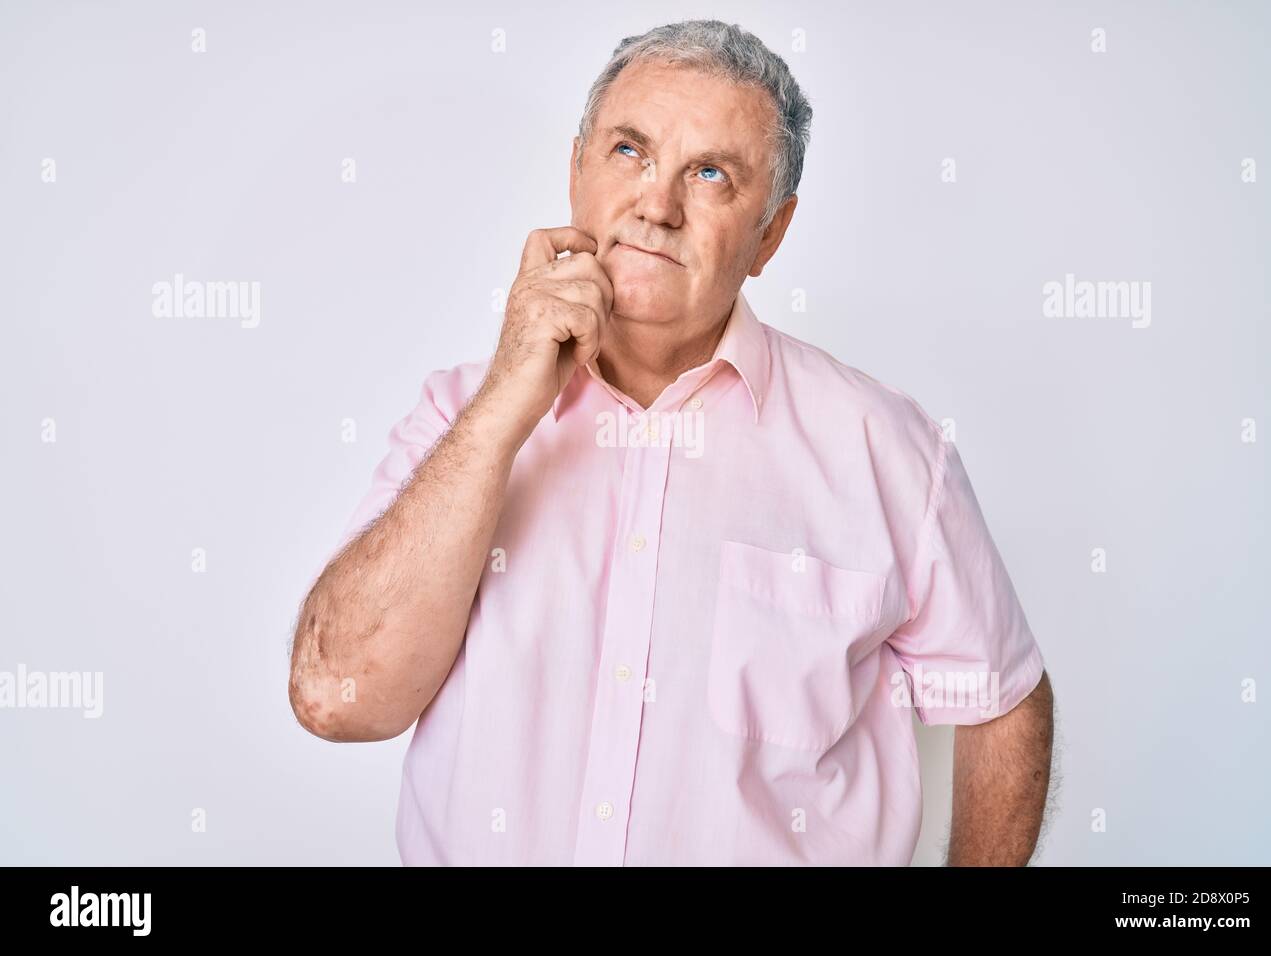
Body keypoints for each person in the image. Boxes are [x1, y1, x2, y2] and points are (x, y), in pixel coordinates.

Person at [289, 18, 1054, 866]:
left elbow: (1003, 698)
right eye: (629, 152)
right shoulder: (460, 418)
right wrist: (505, 409)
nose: (657, 205)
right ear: (576, 169)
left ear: (771, 233)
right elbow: (335, 699)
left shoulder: (888, 450)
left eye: (711, 174)